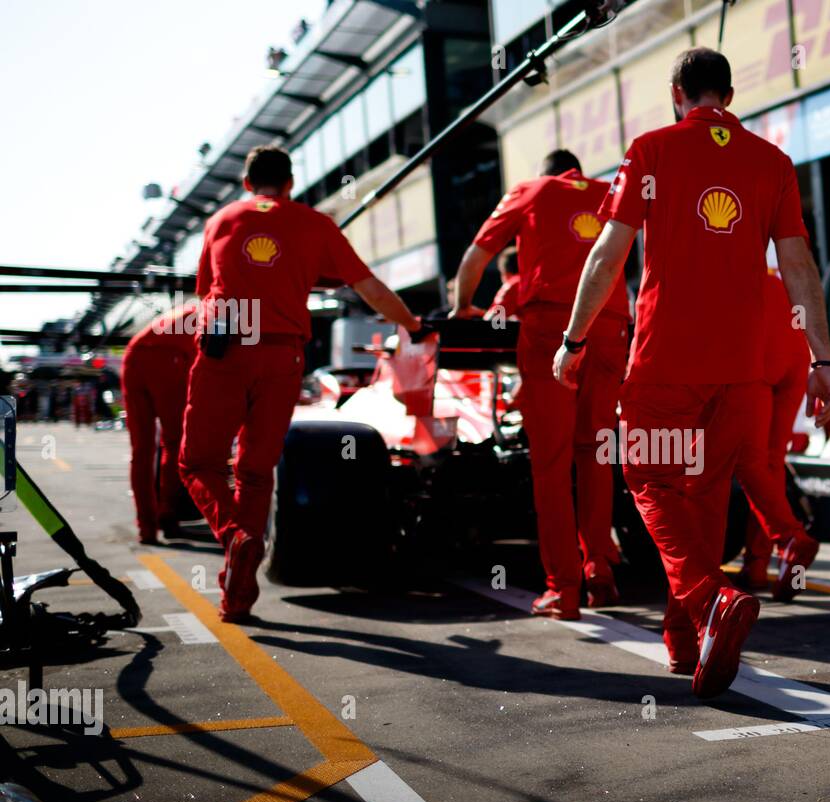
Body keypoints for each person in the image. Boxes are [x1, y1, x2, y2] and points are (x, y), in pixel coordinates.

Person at [553, 48, 830, 699]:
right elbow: (799, 268)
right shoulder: (773, 163)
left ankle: (710, 602)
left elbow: (608, 252)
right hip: (741, 370)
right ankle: (686, 643)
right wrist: (823, 359)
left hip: (665, 362)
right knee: (704, 502)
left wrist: (574, 337)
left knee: (650, 478)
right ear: (729, 96)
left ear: (676, 92)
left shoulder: (651, 150)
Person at [179, 145, 422, 622]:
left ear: (248, 184)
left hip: (227, 348)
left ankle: (235, 537)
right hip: (284, 354)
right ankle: (238, 596)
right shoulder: (315, 223)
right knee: (255, 469)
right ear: (290, 184)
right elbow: (368, 287)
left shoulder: (222, 219)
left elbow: (205, 289)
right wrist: (413, 323)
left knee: (197, 462)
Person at [453, 149, 630, 619]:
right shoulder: (611, 191)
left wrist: (462, 307)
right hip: (611, 326)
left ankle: (563, 589)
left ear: (544, 173)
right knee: (596, 454)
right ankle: (599, 568)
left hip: (551, 327)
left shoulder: (530, 192)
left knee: (551, 464)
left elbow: (477, 254)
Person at [734, 269, 813, 593]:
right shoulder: (784, 268)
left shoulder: (722, 265)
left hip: (758, 354)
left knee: (747, 463)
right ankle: (757, 564)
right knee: (770, 463)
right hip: (793, 354)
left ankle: (789, 537)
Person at [122, 302, 198, 544]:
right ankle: (168, 515)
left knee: (141, 450)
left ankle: (146, 527)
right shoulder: (227, 317)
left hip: (133, 355)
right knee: (174, 443)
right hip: (167, 357)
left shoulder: (187, 311)